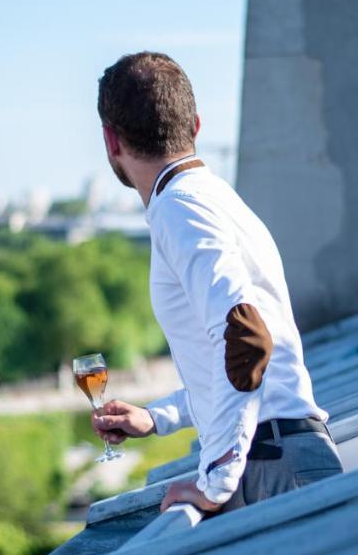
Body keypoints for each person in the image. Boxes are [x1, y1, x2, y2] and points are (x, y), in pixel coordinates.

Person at [90, 51, 343, 515]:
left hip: (269, 466)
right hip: (283, 456)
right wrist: (156, 418)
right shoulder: (212, 196)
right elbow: (232, 359)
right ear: (196, 126)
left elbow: (246, 338)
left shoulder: (177, 208)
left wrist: (217, 481)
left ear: (111, 140)